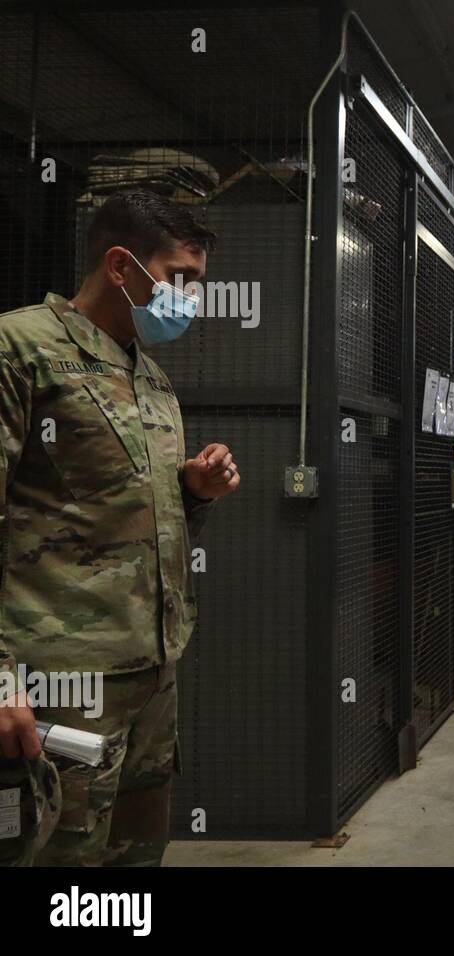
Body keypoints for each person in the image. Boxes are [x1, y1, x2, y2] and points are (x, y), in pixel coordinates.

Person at [0, 190, 241, 866]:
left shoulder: (153, 380)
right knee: (58, 854)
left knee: (134, 855)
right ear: (119, 265)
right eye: (179, 279)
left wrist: (193, 494)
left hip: (150, 672)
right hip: (59, 677)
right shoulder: (21, 351)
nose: (190, 300)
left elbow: (128, 517)